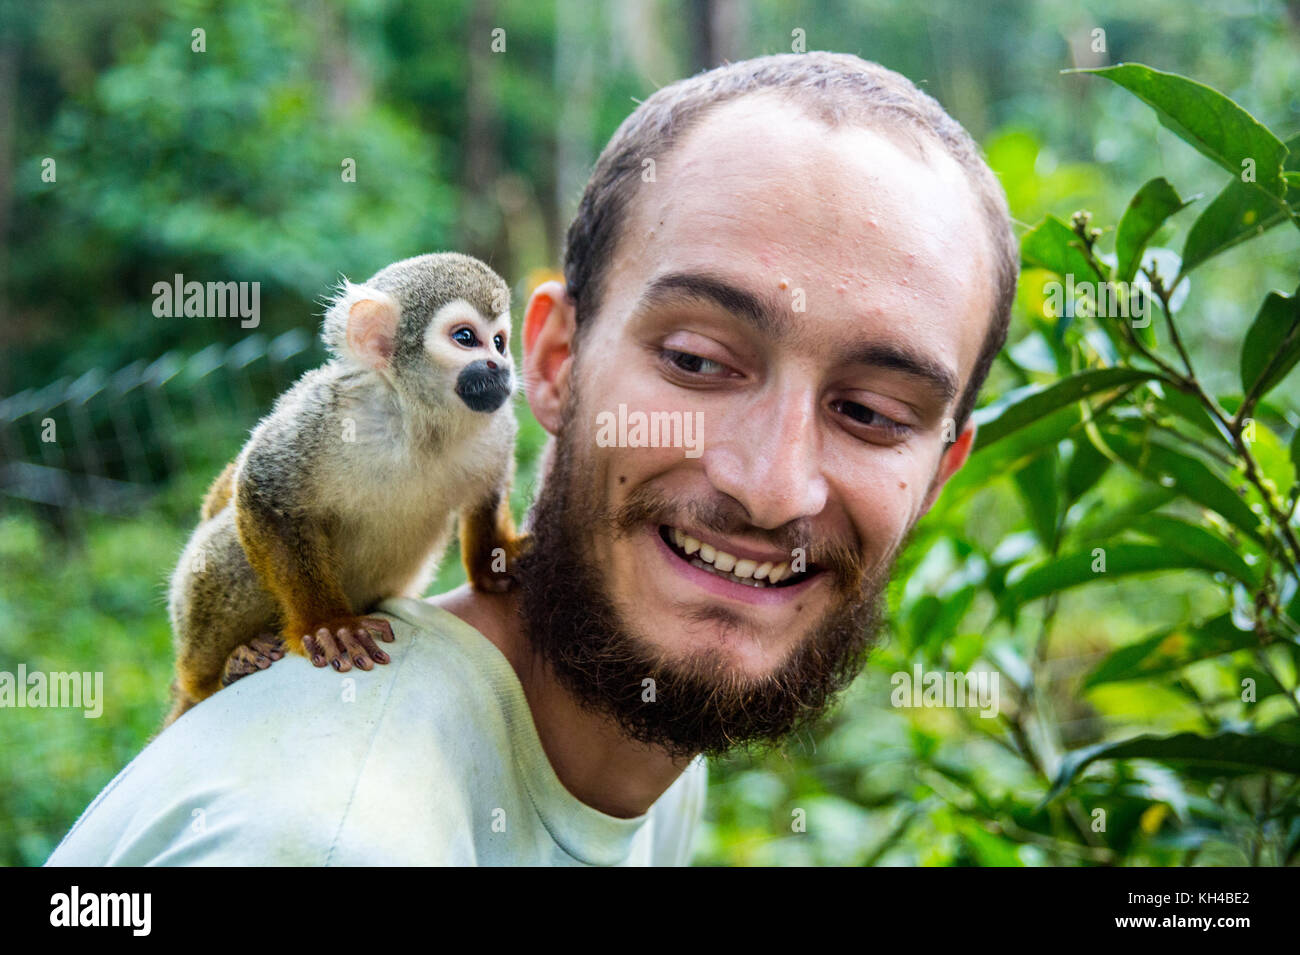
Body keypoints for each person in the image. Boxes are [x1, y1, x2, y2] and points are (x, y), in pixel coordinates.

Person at [46, 50, 1016, 866]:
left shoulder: (649, 754)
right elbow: (260, 499)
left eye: (871, 411)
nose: (768, 485)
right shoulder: (328, 834)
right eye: (695, 360)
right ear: (555, 365)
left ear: (939, 471)